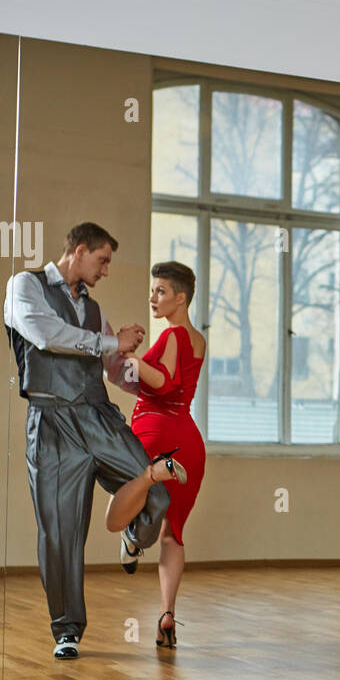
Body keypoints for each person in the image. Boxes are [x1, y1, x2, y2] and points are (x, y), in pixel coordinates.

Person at [3, 222, 171, 659]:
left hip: (98, 417)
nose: (106, 271)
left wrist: (160, 389)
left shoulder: (94, 311)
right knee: (60, 533)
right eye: (103, 260)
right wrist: (111, 341)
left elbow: (115, 369)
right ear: (79, 251)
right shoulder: (25, 285)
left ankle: (133, 536)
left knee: (155, 493)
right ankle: (67, 630)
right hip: (53, 423)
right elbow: (45, 334)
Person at [104, 262, 206, 649]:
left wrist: (129, 359)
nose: (153, 298)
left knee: (123, 498)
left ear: (181, 297)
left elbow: (163, 381)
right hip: (189, 441)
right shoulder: (198, 338)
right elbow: (177, 386)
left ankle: (131, 540)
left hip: (155, 432)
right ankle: (167, 615)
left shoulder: (175, 334)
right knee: (172, 534)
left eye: (160, 291)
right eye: (152, 290)